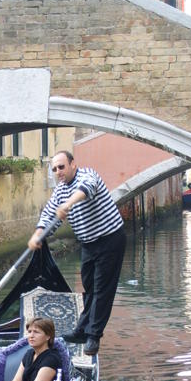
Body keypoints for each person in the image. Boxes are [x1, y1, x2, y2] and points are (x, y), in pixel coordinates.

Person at [28, 151, 126, 356]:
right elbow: (48, 215)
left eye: (61, 167)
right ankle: (82, 330)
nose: (58, 172)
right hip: (89, 243)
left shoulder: (88, 175)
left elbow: (86, 189)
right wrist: (38, 235)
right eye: (54, 169)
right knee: (89, 286)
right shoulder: (60, 191)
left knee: (102, 288)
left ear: (73, 164)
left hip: (110, 238)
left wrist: (68, 204)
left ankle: (93, 336)